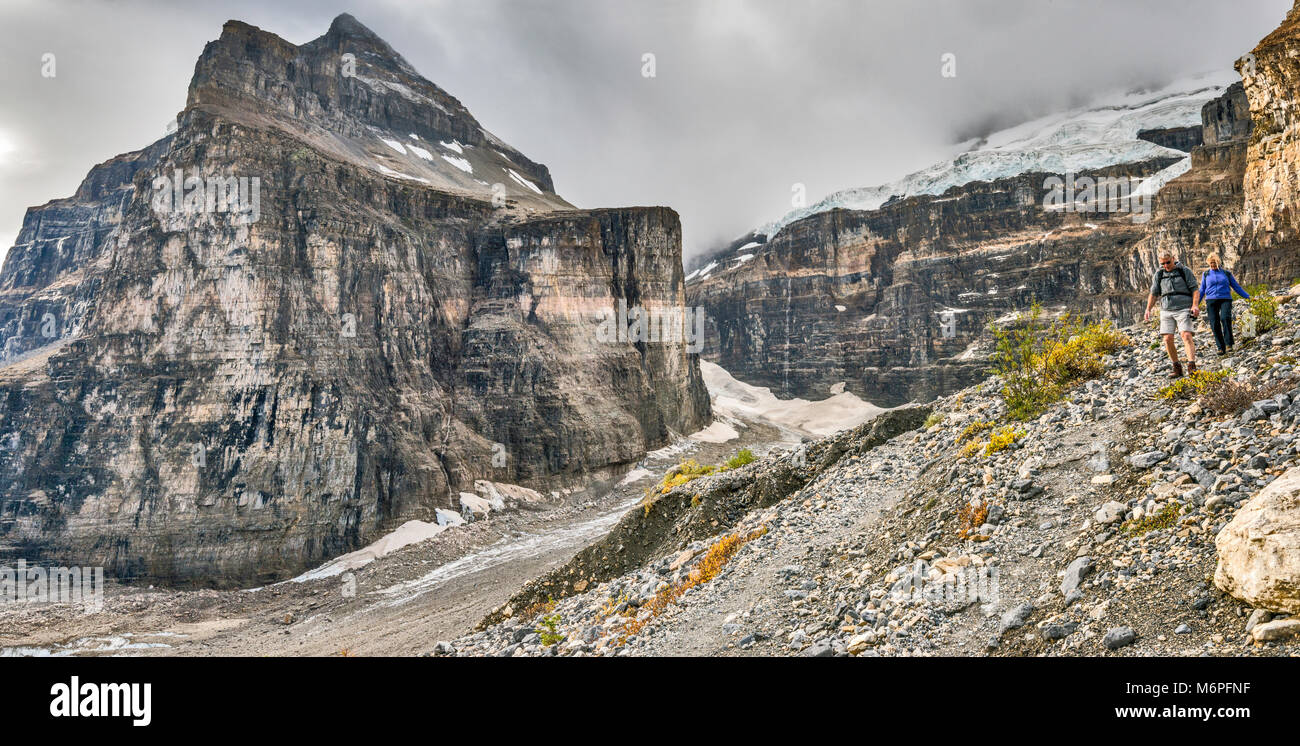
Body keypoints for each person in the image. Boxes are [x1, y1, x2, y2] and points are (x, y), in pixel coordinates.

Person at [1143, 251, 1200, 378]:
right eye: (1163, 263)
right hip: (1166, 310)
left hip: (1184, 307)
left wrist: (1195, 305)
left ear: (1173, 259)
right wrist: (1148, 309)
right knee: (1167, 339)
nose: (1166, 265)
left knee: (1186, 335)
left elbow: (1195, 289)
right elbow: (1154, 293)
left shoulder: (1184, 271)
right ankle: (1177, 368)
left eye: (1168, 262)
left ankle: (1192, 366)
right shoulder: (1159, 274)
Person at [1198, 253, 1250, 356]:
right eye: (1211, 263)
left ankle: (1229, 344)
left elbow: (1236, 287)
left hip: (1225, 299)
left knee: (1225, 318)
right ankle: (1220, 347)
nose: (1213, 265)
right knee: (1214, 323)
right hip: (1211, 300)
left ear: (1218, 262)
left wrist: (1248, 297)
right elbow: (1202, 290)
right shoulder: (1206, 274)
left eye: (1214, 263)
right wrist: (1195, 304)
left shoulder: (1226, 273)